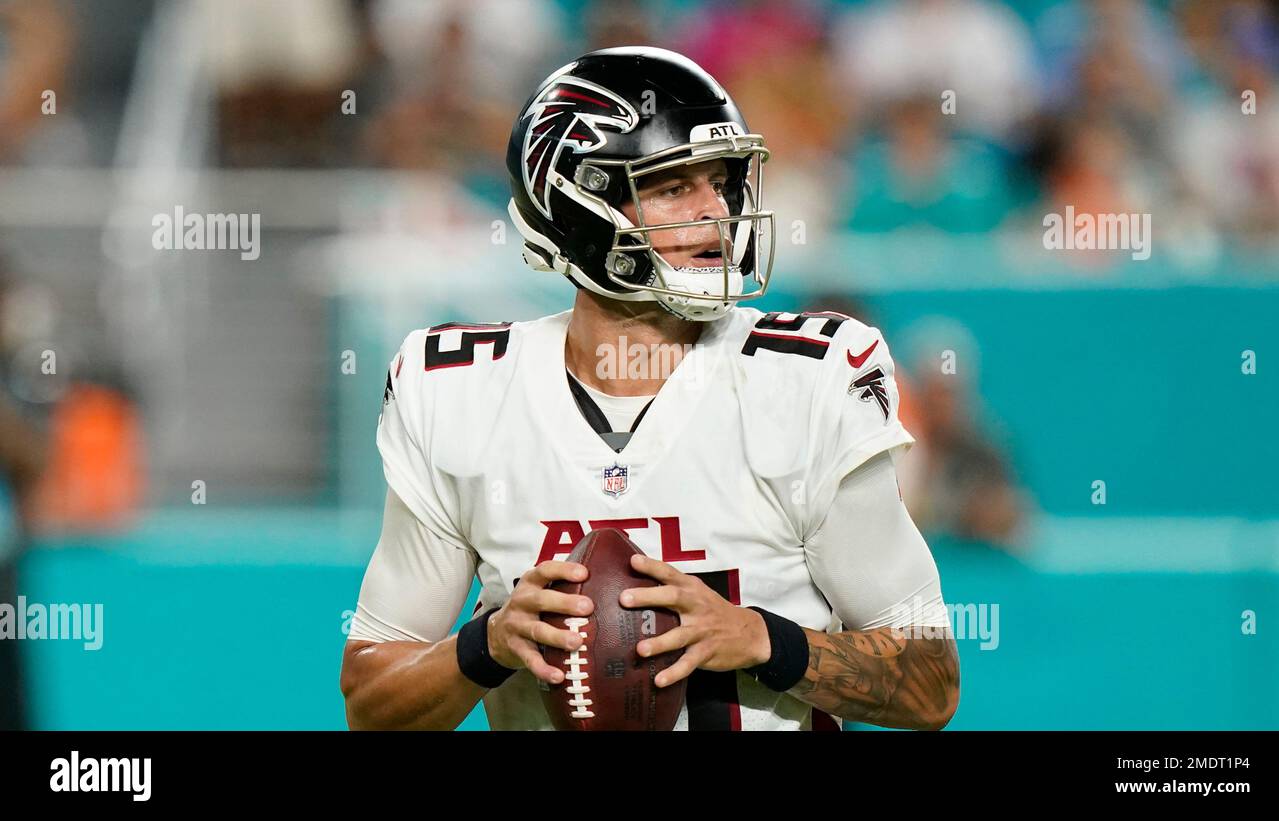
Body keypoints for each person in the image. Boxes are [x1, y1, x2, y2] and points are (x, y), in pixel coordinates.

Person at [340, 47, 959, 731]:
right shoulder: (459, 393)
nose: (715, 213)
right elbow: (371, 703)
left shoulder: (804, 380)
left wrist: (763, 639)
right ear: (577, 207)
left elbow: (931, 682)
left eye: (721, 183)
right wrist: (484, 646)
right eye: (672, 187)